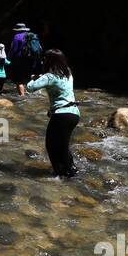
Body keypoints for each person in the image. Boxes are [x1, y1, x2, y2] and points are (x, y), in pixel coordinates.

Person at [26, 49, 80, 178]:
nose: (43, 60)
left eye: (45, 58)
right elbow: (63, 94)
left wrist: (34, 78)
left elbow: (30, 87)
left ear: (50, 61)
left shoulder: (49, 76)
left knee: (52, 145)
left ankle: (63, 174)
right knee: (63, 145)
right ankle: (71, 170)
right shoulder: (68, 73)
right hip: (73, 113)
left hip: (62, 115)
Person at [8, 23, 42, 97]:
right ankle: (34, 93)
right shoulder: (32, 35)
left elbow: (14, 49)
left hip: (20, 61)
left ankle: (22, 97)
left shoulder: (17, 36)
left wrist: (9, 58)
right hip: (31, 60)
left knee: (19, 80)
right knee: (29, 76)